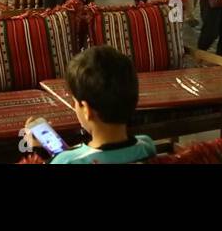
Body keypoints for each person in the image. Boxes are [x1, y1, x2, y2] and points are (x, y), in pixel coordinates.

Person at [21, 46, 156, 164]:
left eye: (74, 102)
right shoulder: (146, 146)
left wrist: (41, 151)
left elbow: (73, 159)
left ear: (86, 109)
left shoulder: (66, 161)